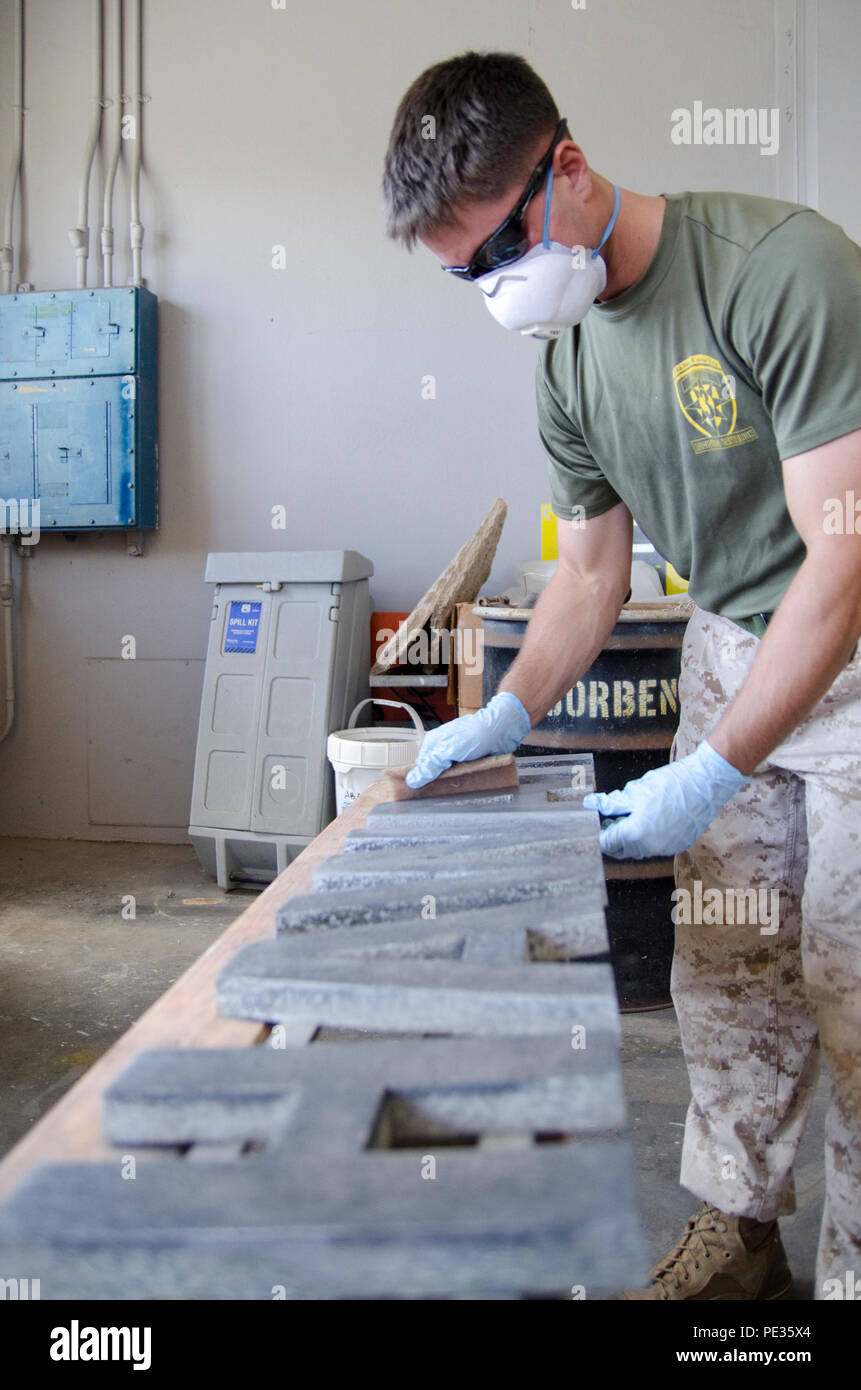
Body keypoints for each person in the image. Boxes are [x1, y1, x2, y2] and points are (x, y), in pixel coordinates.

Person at [382, 51, 861, 1301]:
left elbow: (845, 561)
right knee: (726, 958)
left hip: (853, 646)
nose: (494, 292)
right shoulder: (568, 362)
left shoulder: (780, 271)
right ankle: (741, 1234)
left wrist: (711, 770)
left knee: (853, 981)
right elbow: (589, 579)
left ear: (571, 170)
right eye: (462, 277)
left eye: (495, 254)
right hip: (732, 641)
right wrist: (504, 710)